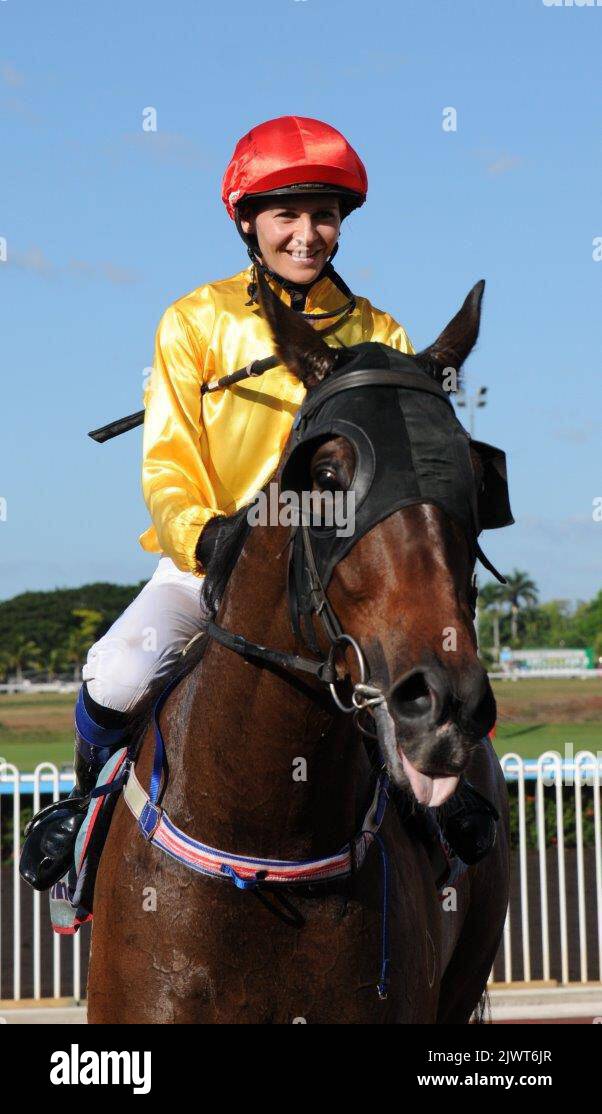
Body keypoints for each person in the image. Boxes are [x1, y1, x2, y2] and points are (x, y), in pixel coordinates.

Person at [20, 115, 496, 891]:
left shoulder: (380, 329)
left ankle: (433, 827)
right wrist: (211, 540)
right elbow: (167, 466)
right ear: (248, 222)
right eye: (287, 215)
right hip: (208, 564)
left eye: (324, 215)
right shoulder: (192, 322)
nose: (307, 234)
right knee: (117, 673)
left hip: (340, 570)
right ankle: (83, 820)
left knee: (421, 674)